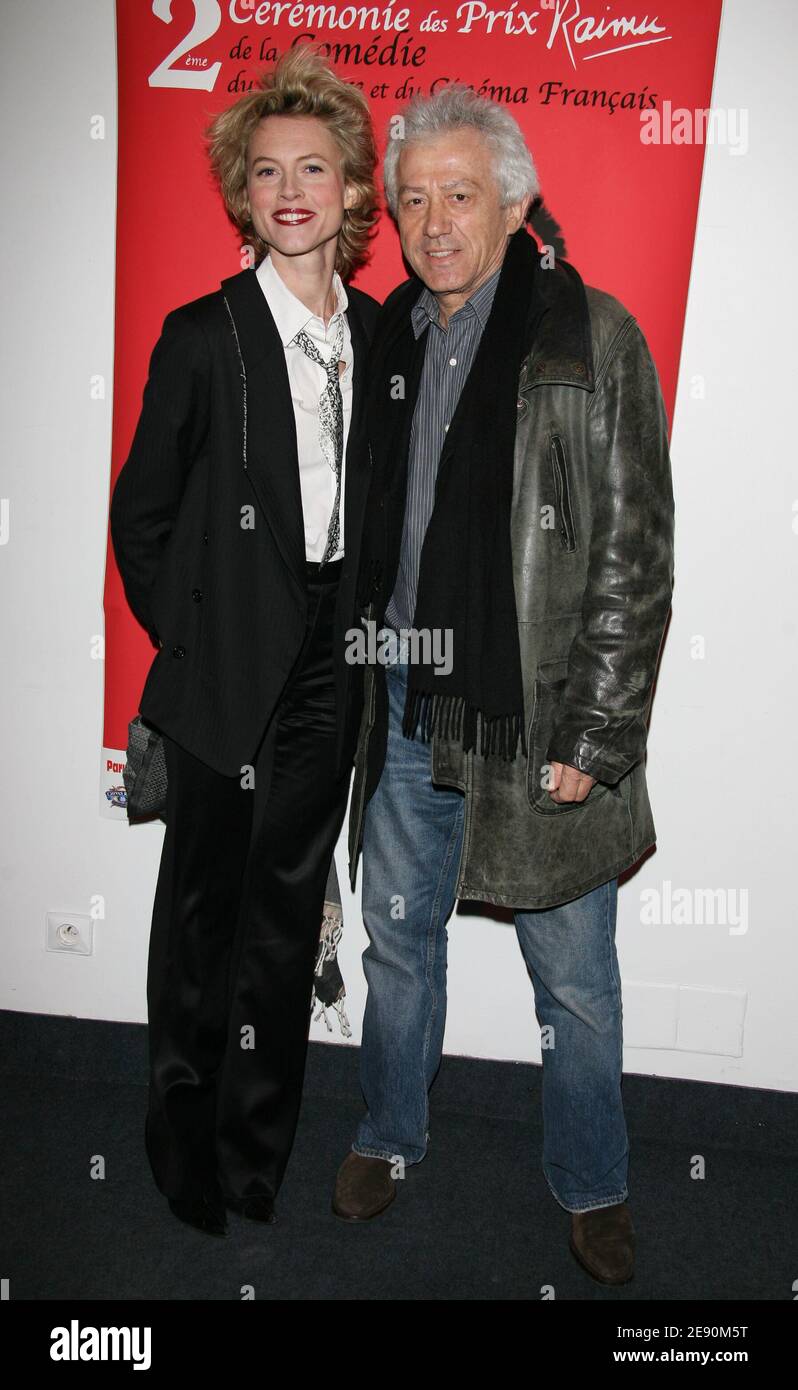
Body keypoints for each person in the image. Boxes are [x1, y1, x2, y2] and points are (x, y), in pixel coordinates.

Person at [332, 85, 675, 1286]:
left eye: (459, 195)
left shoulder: (591, 338)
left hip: (536, 723)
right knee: (395, 943)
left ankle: (594, 1182)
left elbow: (636, 552)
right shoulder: (389, 340)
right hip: (407, 702)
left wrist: (601, 727)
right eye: (412, 197)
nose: (432, 223)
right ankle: (388, 1130)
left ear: (515, 202)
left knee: (573, 979)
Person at [110, 47, 379, 1236]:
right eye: (266, 170)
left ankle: (255, 1143)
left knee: (286, 904)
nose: (288, 189)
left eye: (312, 168)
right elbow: (143, 519)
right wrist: (200, 635)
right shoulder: (201, 333)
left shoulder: (386, 338)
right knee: (204, 909)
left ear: (350, 190)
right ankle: (182, 1133)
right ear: (243, 193)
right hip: (228, 666)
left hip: (335, 659)